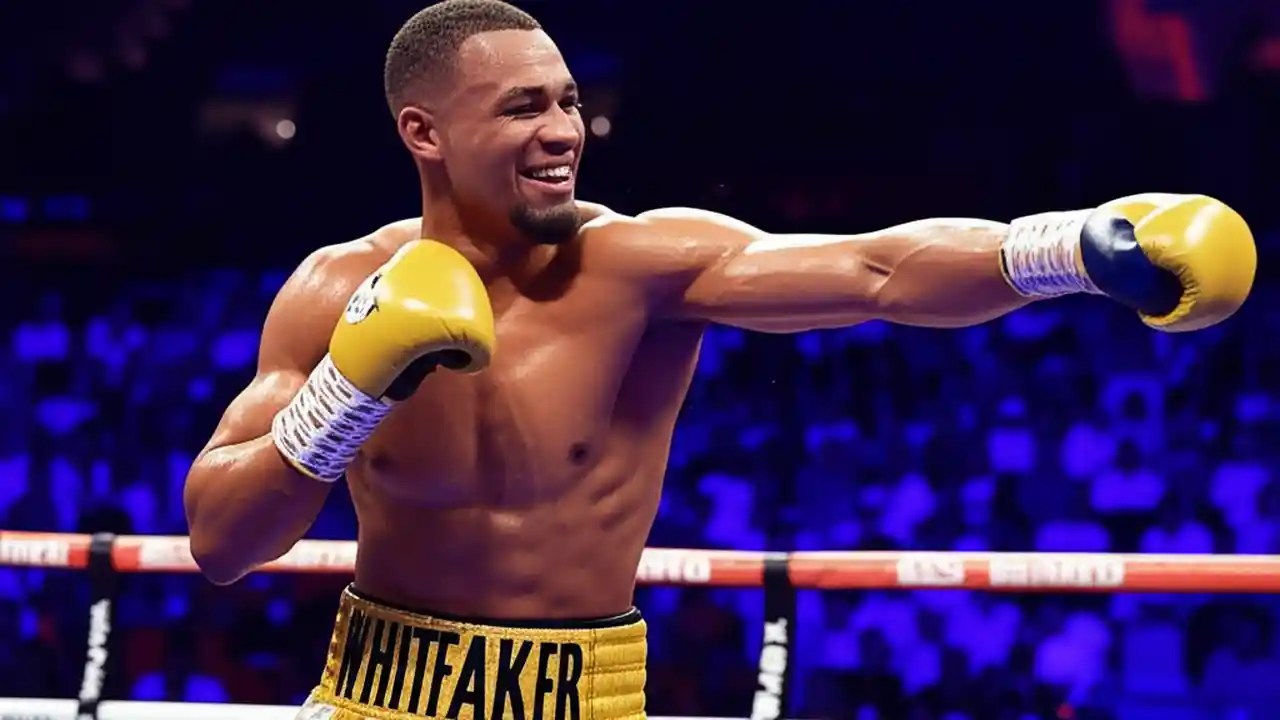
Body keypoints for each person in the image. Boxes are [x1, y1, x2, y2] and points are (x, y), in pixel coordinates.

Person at [181, 1, 1258, 718]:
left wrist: (1069, 248)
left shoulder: (639, 266)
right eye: (523, 106)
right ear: (424, 133)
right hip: (378, 692)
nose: (565, 129)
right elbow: (223, 540)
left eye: (565, 99)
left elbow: (878, 270)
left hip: (585, 695)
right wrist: (350, 388)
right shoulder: (334, 290)